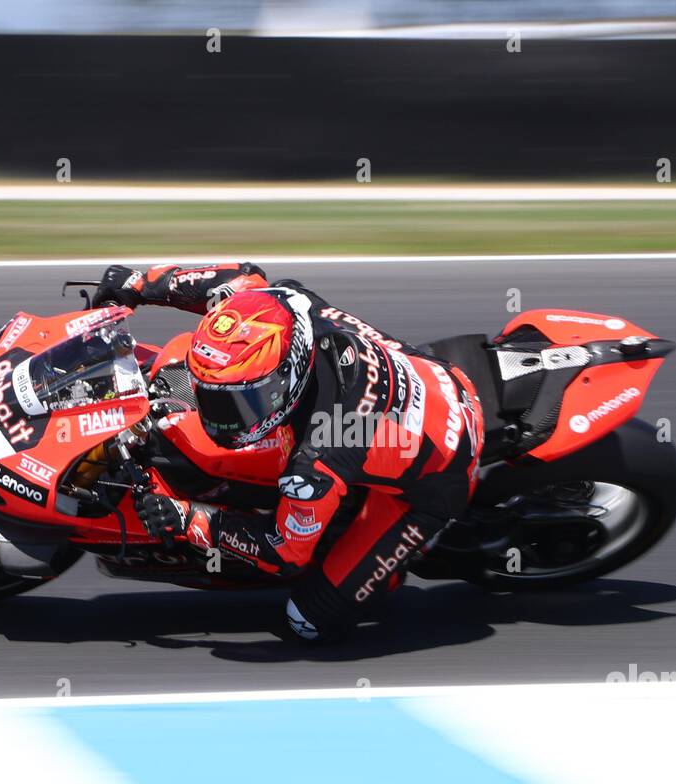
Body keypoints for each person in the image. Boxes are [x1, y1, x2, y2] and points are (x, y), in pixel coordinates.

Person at [94, 262, 483, 641]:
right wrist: (141, 284)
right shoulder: (286, 306)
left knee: (307, 622)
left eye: (242, 402)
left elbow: (284, 551)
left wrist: (188, 518)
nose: (217, 417)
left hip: (438, 475)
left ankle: (390, 563)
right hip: (430, 373)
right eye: (212, 397)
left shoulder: (321, 452)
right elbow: (238, 278)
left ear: (289, 376)